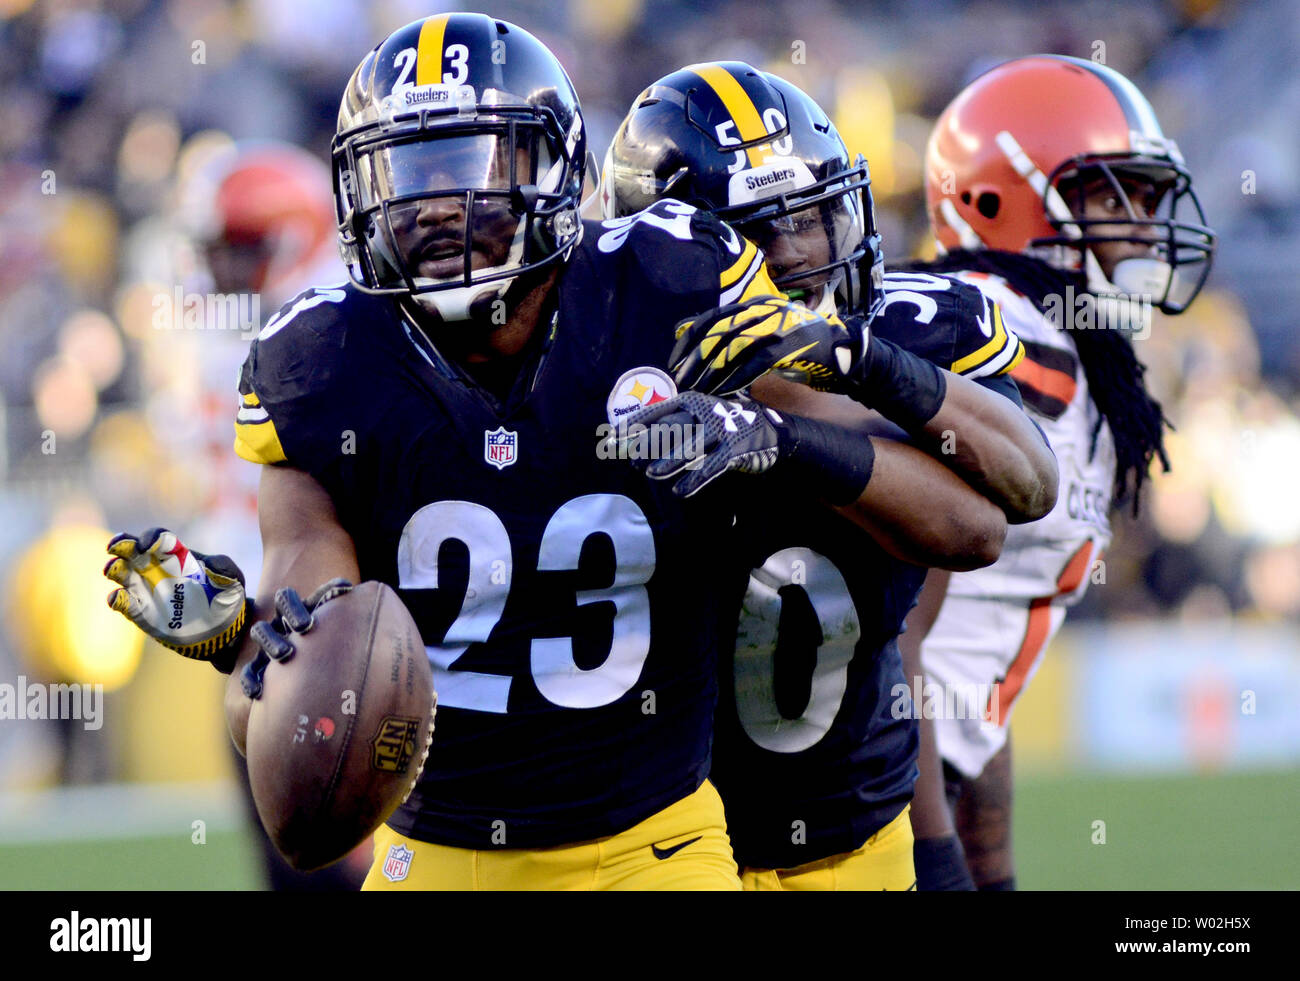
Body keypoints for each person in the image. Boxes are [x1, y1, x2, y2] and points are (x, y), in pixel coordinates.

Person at [102, 14, 1008, 890]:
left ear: (560, 169)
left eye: (471, 166)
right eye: (405, 175)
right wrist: (250, 648)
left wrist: (782, 436)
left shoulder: (665, 285)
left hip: (652, 845)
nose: (438, 210)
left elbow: (967, 522)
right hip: (439, 855)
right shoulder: (323, 362)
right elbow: (315, 654)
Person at [604, 61, 1058, 889]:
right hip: (656, 847)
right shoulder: (604, 363)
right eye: (754, 230)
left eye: (812, 215)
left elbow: (1013, 502)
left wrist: (844, 371)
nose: (799, 252)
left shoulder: (912, 326)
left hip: (854, 833)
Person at [907, 54, 1216, 889]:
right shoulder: (988, 332)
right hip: (860, 801)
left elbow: (976, 681)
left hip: (918, 776)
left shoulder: (1079, 355)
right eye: (1116, 196)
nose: (1147, 228)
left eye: (1151, 199)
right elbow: (895, 644)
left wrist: (992, 868)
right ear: (999, 196)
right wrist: (937, 862)